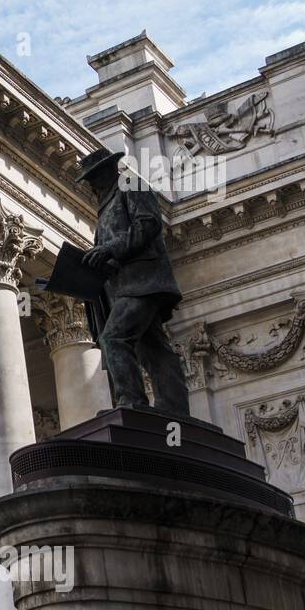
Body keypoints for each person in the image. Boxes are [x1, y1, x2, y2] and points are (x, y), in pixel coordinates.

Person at [79, 149, 189, 416]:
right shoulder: (106, 206)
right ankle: (175, 411)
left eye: (94, 178)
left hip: (143, 281)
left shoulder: (132, 186)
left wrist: (110, 250)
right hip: (123, 286)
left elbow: (148, 225)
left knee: (114, 339)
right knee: (154, 350)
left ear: (107, 171)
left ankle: (131, 402)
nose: (92, 186)